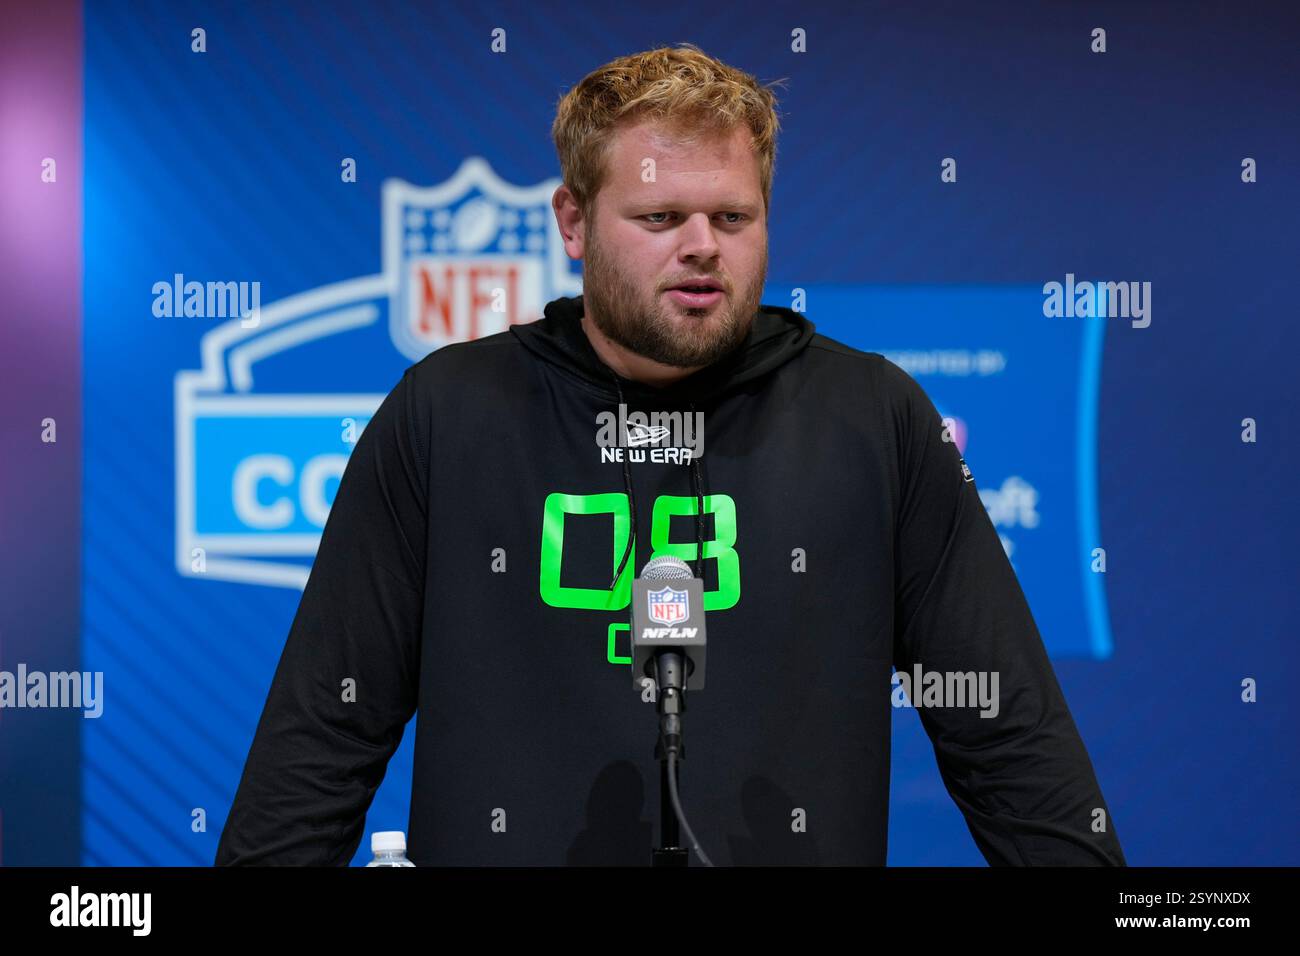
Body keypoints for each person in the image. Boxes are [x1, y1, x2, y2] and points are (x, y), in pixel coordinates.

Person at [215, 43, 1125, 866]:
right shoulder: (447, 414)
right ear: (573, 222)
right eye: (660, 217)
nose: (701, 248)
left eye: (733, 217)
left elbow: (1004, 729)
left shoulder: (873, 418)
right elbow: (322, 737)